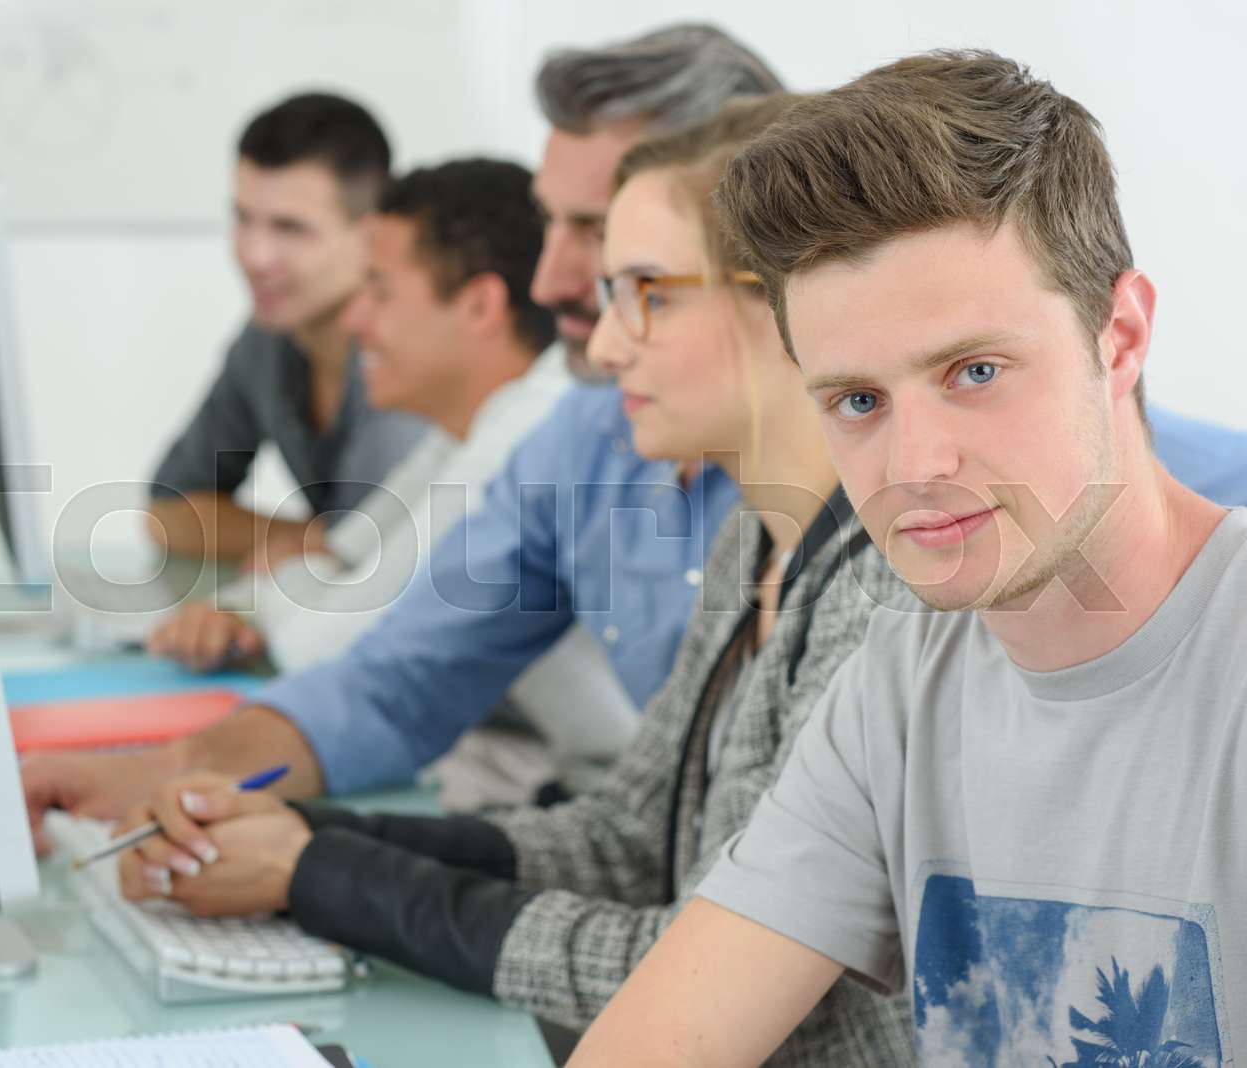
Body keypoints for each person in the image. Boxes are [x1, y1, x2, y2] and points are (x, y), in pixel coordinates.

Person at [21, 26, 1247, 840]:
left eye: (609, 249)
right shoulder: (590, 447)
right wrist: (173, 780)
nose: (554, 287)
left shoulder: (947, 498)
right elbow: (394, 686)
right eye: (561, 234)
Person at [111, 94, 920, 1066]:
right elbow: (631, 840)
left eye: (646, 294)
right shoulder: (756, 537)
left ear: (780, 298)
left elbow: (697, 973)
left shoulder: (879, 596)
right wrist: (307, 838)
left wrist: (322, 873)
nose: (606, 340)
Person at [569, 51, 1247, 1068]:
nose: (913, 464)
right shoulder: (899, 683)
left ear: (1119, 335)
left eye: (974, 371)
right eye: (858, 401)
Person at [146, 158, 568, 676]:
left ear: (480, 306)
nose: (354, 319)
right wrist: (248, 606)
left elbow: (329, 643)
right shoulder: (454, 436)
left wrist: (289, 588)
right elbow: (347, 555)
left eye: (380, 291)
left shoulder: (528, 436)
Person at [147, 93, 426, 569]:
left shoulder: (414, 357)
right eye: (243, 218)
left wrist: (333, 548)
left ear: (372, 232)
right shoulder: (270, 337)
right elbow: (168, 512)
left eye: (290, 228)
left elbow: (383, 561)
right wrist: (312, 542)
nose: (254, 256)